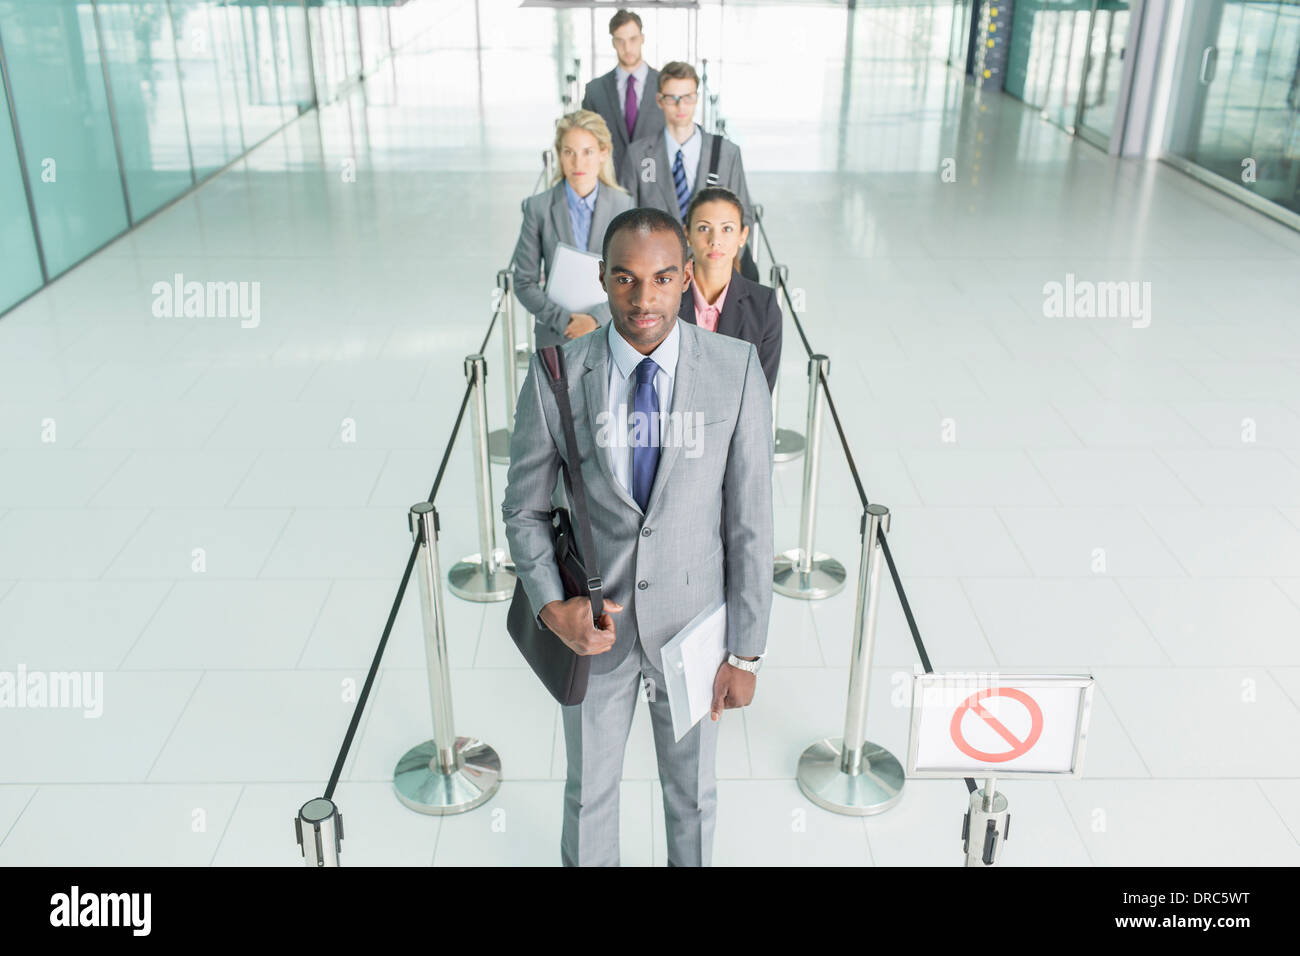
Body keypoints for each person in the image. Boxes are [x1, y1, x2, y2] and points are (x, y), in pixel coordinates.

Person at [502, 207, 774, 867]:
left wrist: (747, 653)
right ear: (601, 278)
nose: (643, 298)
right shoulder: (558, 374)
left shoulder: (735, 370)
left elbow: (751, 522)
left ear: (686, 277)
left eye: (660, 278)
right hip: (595, 635)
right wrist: (549, 604)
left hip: (694, 632)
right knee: (589, 794)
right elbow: (524, 509)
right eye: (624, 279)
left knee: (692, 795)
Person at [616, 61, 759, 280]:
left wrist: (718, 266)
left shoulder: (726, 153)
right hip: (658, 273)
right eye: (672, 98)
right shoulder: (638, 155)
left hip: (714, 272)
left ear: (696, 98)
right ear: (659, 100)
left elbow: (744, 217)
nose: (680, 106)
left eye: (687, 98)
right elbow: (625, 221)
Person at [512, 111, 635, 349]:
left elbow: (632, 277)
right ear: (559, 154)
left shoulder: (624, 205)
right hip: (556, 335)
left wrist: (595, 319)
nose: (578, 163)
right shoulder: (538, 208)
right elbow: (524, 282)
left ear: (603, 152)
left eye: (587, 152)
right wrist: (565, 320)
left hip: (610, 330)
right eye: (569, 152)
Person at [679, 187, 781, 392]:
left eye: (727, 229)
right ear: (687, 234)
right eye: (703, 228)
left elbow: (760, 396)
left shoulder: (764, 306)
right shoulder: (666, 296)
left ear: (743, 236)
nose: (715, 240)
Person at [580, 10, 665, 177]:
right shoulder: (595, 91)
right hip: (610, 180)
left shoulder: (665, 86)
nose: (627, 48)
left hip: (655, 181)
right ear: (613, 43)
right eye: (620, 41)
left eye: (633, 39)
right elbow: (586, 141)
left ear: (642, 39)